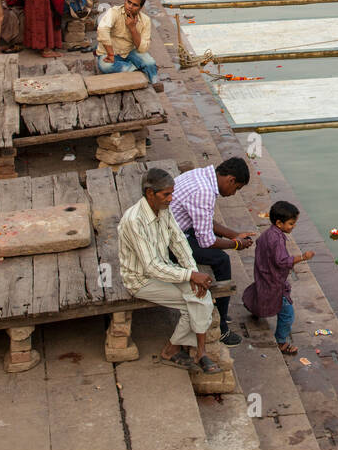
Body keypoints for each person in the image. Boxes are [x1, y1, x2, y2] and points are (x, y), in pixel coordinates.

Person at [118, 168, 222, 374]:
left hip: (166, 270)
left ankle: (197, 351)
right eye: (166, 194)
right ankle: (175, 350)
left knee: (201, 294)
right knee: (194, 302)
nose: (171, 198)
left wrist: (192, 273)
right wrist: (191, 275)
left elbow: (179, 242)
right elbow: (151, 266)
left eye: (171, 193)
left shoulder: (165, 210)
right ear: (150, 193)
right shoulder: (134, 221)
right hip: (140, 280)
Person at [169, 157, 255, 347]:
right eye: (237, 188)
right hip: (167, 243)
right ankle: (222, 327)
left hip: (177, 229)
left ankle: (220, 306)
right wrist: (235, 245)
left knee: (218, 254)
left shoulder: (201, 175)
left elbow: (205, 222)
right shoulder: (204, 191)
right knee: (222, 260)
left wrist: (235, 235)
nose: (234, 194)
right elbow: (206, 241)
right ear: (230, 180)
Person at [242, 200, 314, 356]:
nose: (293, 226)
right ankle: (281, 342)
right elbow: (282, 261)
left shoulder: (268, 234)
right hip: (274, 281)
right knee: (287, 313)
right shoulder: (277, 239)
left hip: (263, 274)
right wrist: (302, 257)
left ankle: (254, 309)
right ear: (279, 223)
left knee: (261, 293)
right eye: (291, 224)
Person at [95, 0, 158, 84]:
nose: (130, 6)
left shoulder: (145, 20)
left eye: (135, 5)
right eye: (129, 2)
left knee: (150, 63)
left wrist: (133, 29)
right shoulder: (114, 12)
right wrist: (111, 54)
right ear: (125, 1)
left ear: (140, 8)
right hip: (110, 52)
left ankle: (154, 84)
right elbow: (102, 29)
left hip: (130, 52)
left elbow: (143, 48)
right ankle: (136, 72)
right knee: (105, 66)